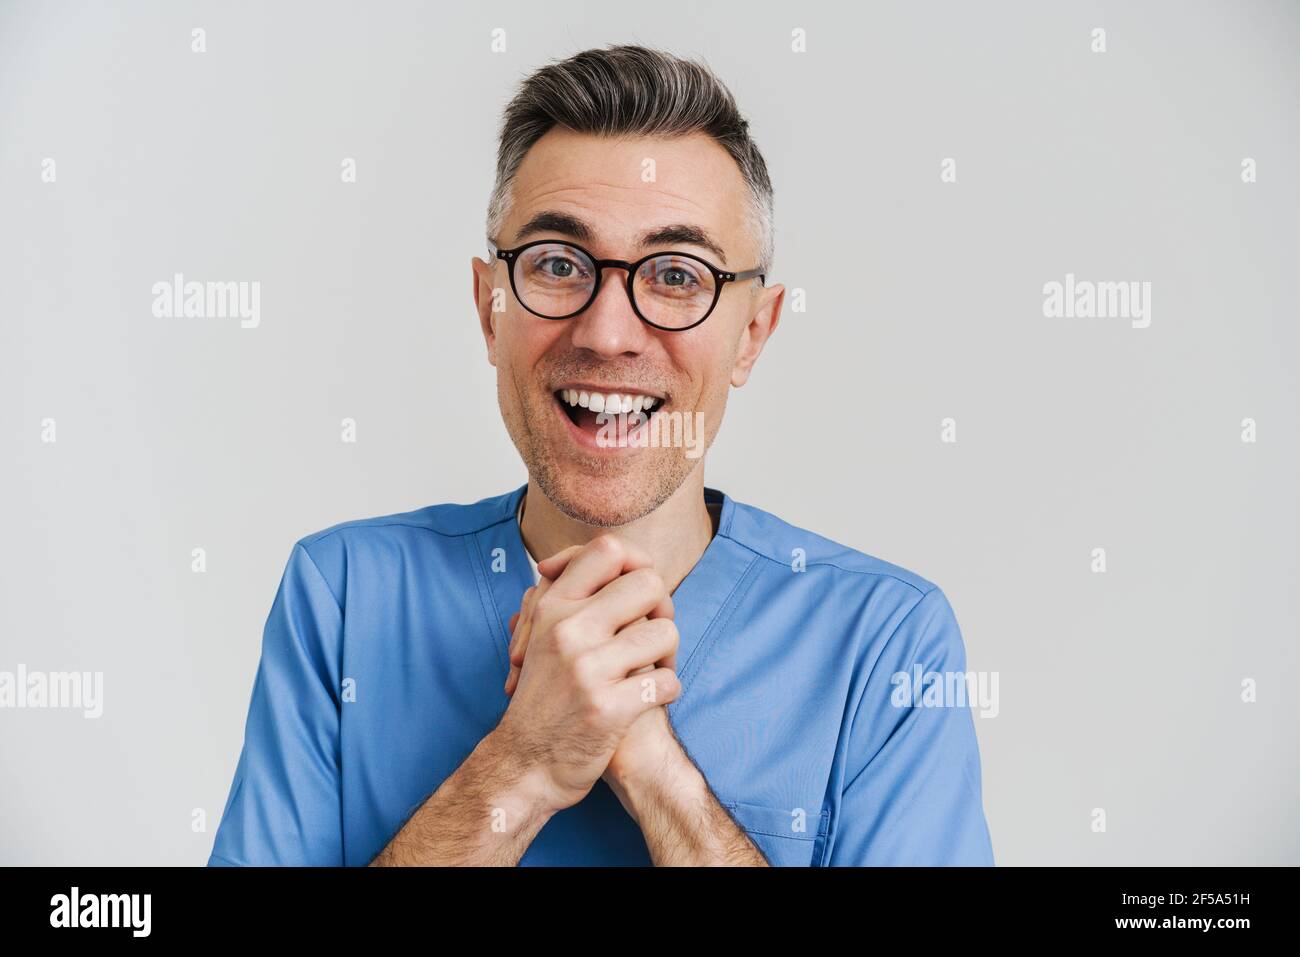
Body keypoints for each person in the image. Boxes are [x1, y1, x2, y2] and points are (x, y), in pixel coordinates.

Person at [207, 44, 994, 866]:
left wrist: (657, 772)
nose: (608, 333)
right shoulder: (341, 597)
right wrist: (523, 764)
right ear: (488, 309)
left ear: (753, 334)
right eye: (557, 264)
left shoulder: (885, 641)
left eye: (677, 276)